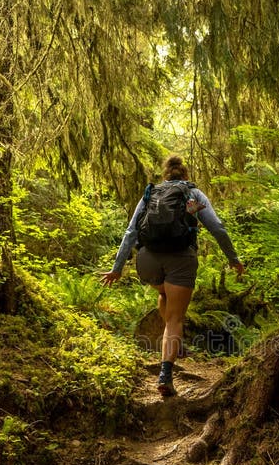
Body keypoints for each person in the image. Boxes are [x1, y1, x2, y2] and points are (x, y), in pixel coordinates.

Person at [102, 154, 245, 396]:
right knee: (175, 319)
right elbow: (217, 228)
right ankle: (165, 374)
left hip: (147, 260)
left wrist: (117, 268)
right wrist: (233, 259)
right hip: (180, 258)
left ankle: (172, 342)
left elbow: (130, 232)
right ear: (185, 174)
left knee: (165, 297)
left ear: (165, 174)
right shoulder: (193, 194)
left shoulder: (150, 193)